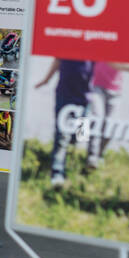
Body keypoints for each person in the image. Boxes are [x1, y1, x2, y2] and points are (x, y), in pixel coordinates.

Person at [34, 58, 94, 188]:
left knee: (81, 136)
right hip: (65, 95)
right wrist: (46, 80)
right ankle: (57, 171)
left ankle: (73, 157)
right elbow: (57, 61)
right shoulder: (68, 41)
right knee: (62, 135)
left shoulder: (96, 43)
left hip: (86, 98)